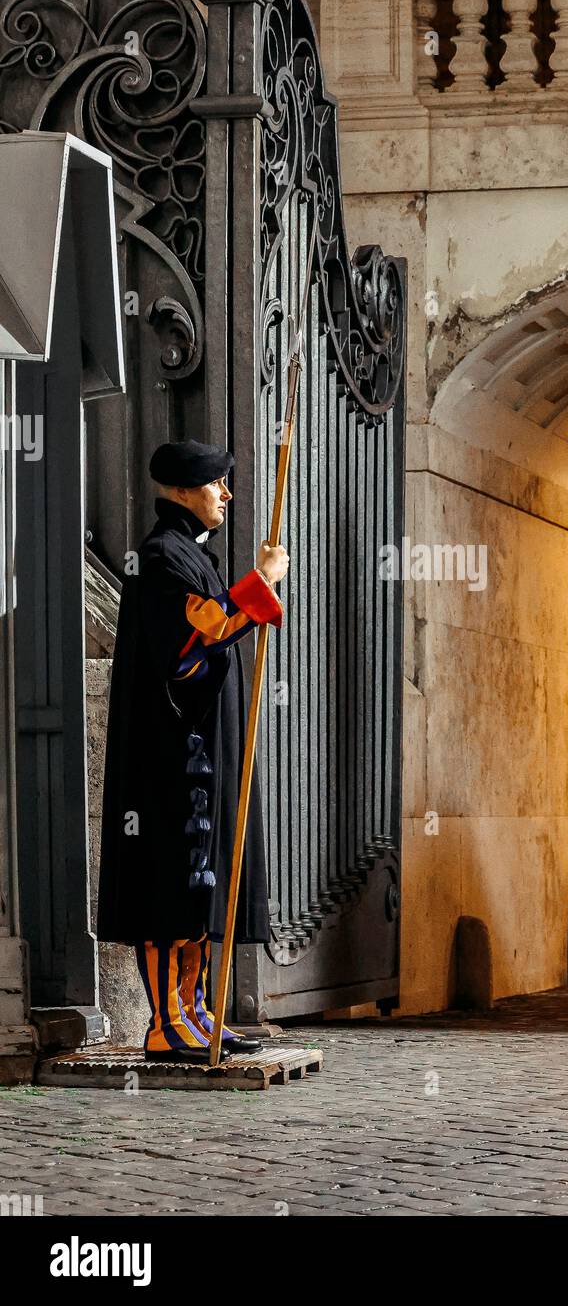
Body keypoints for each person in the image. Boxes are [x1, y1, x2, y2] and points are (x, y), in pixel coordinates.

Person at [97, 439, 288, 1061]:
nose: (226, 495)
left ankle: (197, 1013)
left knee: (200, 885)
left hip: (200, 754)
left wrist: (252, 586)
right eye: (216, 484)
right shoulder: (159, 558)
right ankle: (165, 1023)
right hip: (170, 758)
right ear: (182, 491)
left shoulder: (189, 553)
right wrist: (259, 586)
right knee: (169, 885)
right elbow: (190, 645)